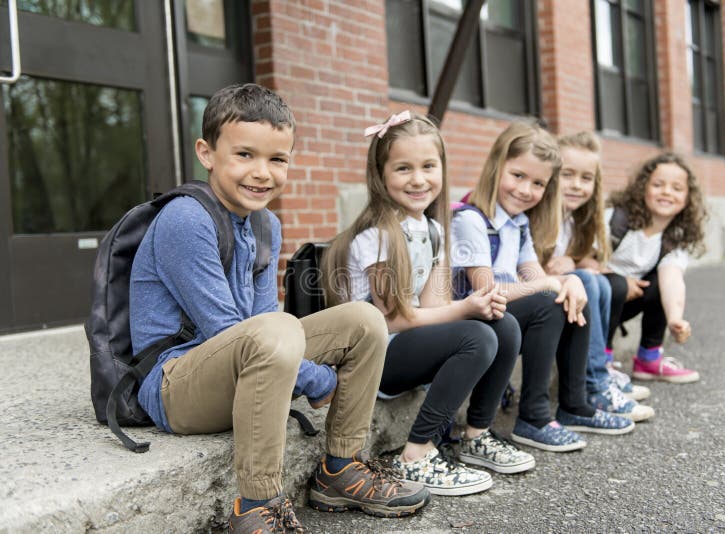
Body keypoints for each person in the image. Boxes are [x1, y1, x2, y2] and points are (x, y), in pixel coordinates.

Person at [129, 84, 430, 533]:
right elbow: (227, 329)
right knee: (274, 332)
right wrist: (318, 378)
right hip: (176, 386)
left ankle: (340, 469)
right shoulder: (185, 220)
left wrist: (300, 367)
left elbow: (269, 320)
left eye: (278, 159)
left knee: (365, 321)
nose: (262, 173)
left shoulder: (265, 224)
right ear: (206, 153)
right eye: (244, 155)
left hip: (242, 360)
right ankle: (256, 506)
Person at [323, 111, 534, 496]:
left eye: (428, 166)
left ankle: (475, 434)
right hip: (373, 360)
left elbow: (435, 305)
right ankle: (416, 456)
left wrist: (478, 307)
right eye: (403, 168)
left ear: (442, 168)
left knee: (504, 326)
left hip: (406, 346)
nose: (418, 179)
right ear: (381, 174)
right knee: (477, 337)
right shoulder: (377, 236)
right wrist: (467, 308)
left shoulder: (434, 230)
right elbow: (394, 320)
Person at [450, 121, 634, 453]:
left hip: (504, 319)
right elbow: (485, 292)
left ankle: (574, 404)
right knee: (550, 300)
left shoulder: (518, 224)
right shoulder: (471, 221)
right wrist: (552, 284)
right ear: (496, 166)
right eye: (518, 176)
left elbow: (534, 273)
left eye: (537, 183)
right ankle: (532, 417)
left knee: (571, 292)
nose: (525, 190)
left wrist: (568, 280)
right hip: (471, 320)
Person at [547, 132, 653, 421]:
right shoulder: (540, 213)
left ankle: (599, 371)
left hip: (561, 286)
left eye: (585, 178)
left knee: (601, 282)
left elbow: (583, 257)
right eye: (567, 174)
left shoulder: (575, 217)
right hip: (537, 291)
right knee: (588, 280)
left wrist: (574, 260)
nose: (576, 185)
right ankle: (593, 383)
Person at [603, 152, 707, 383]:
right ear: (643, 188)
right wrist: (616, 277)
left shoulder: (674, 237)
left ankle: (649, 359)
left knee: (661, 282)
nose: (667, 192)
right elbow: (585, 260)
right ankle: (601, 363)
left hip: (629, 300)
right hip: (596, 301)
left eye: (677, 188)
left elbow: (671, 279)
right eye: (658, 185)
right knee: (616, 284)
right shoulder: (615, 220)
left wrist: (675, 319)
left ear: (688, 198)